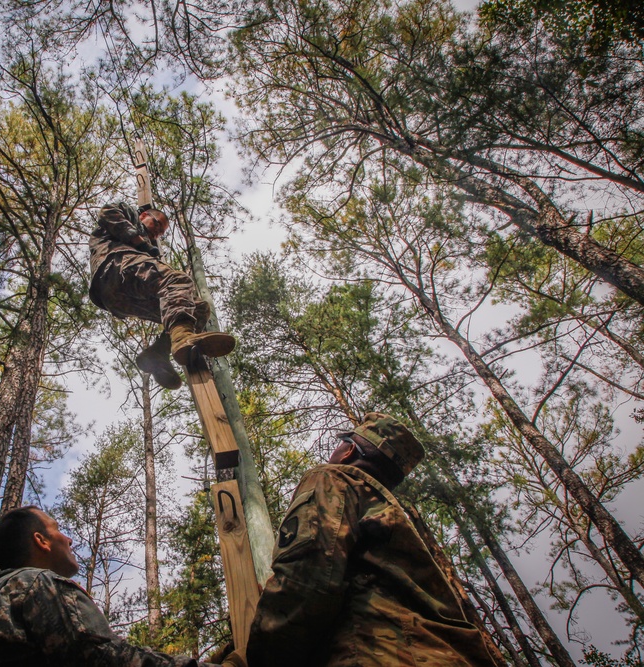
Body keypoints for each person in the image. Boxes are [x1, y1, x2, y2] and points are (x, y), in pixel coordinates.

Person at [245, 413, 499, 667]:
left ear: (348, 451)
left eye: (341, 443)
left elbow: (307, 579)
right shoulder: (395, 522)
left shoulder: (334, 479)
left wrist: (258, 657)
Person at [0, 506, 215, 667]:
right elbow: (106, 659)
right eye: (57, 528)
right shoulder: (38, 584)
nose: (69, 540)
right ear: (41, 541)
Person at [89, 202, 235, 390]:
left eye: (161, 232)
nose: (158, 233)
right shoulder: (131, 215)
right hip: (116, 266)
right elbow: (108, 212)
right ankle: (181, 337)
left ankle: (159, 352)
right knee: (177, 280)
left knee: (198, 308)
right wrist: (139, 241)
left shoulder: (149, 245)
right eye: (157, 224)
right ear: (144, 216)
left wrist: (148, 247)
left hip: (117, 300)